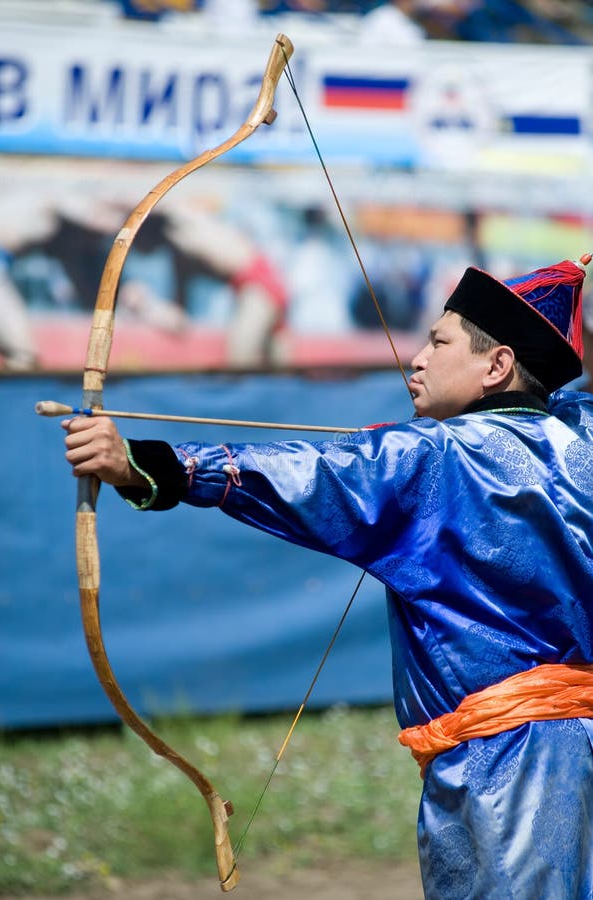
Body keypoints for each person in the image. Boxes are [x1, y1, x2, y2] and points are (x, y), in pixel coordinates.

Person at [62, 255, 593, 897]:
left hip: (504, 769)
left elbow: (307, 474)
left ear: (497, 365)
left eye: (438, 342)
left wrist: (140, 464)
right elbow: (559, 403)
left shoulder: (433, 457)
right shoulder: (579, 439)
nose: (418, 359)